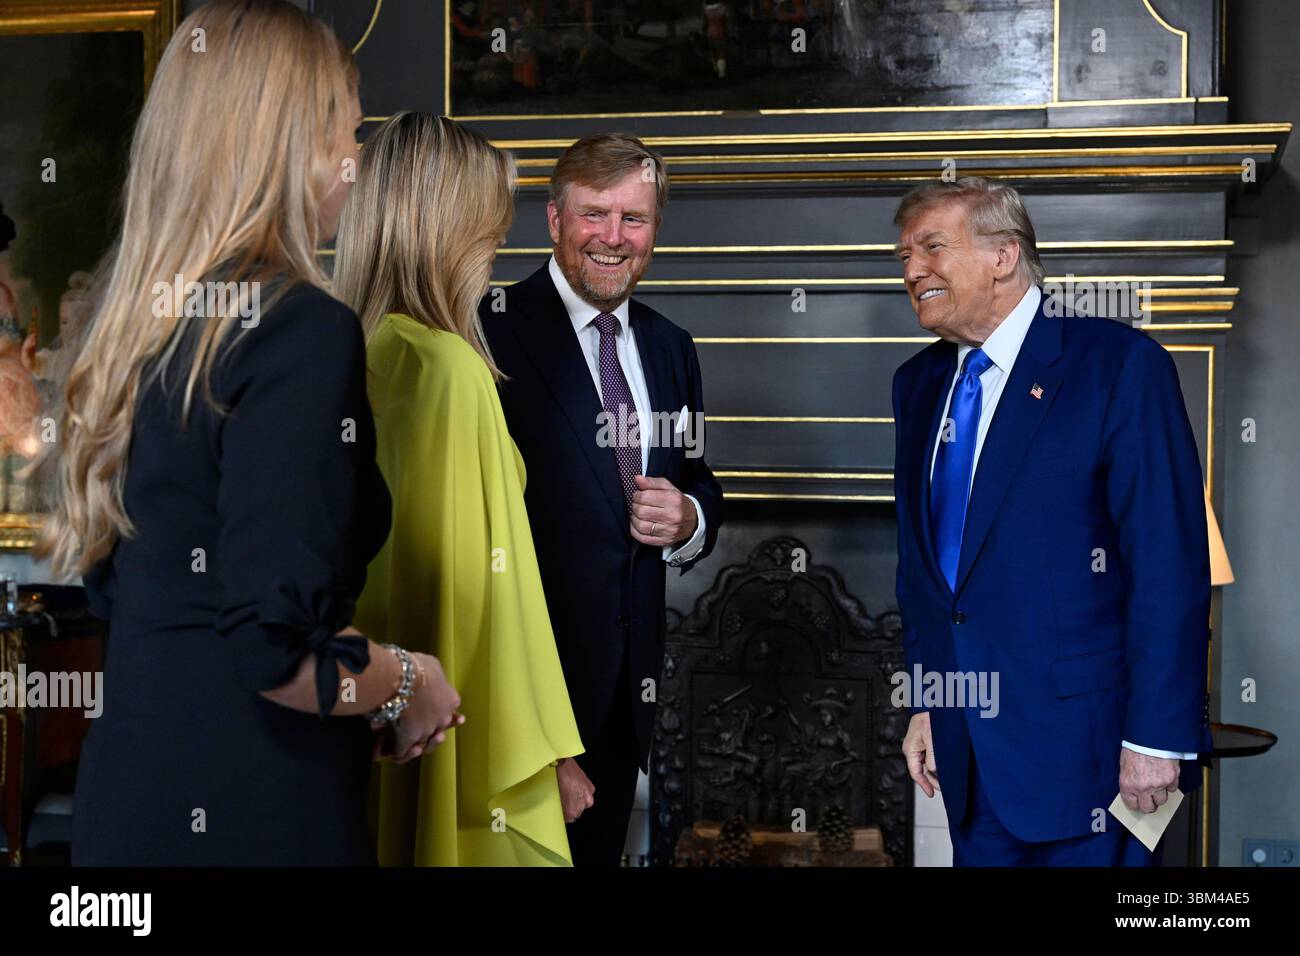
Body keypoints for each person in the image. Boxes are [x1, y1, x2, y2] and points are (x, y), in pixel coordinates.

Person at [37, 0, 459, 866]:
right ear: (288, 145)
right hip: (251, 812)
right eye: (348, 131)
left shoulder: (135, 331)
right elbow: (273, 648)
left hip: (127, 801)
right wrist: (409, 681)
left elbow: (157, 608)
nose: (355, 161)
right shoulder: (300, 328)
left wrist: (355, 699)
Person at [890, 177, 1212, 866]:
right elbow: (923, 570)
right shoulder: (917, 385)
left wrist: (1156, 738)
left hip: (1089, 756)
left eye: (932, 248)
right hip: (968, 755)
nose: (913, 270)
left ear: (1002, 256)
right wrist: (927, 700)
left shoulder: (1118, 366)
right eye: (905, 256)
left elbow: (1168, 565)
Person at [336, 112, 583, 866]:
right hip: (456, 722)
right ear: (450, 226)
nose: (499, 245)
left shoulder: (359, 349)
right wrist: (548, 753)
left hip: (364, 704)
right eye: (490, 226)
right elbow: (488, 590)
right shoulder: (450, 368)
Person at [480, 132, 723, 866]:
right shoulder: (485, 329)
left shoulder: (673, 346)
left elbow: (700, 477)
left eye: (635, 219)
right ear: (554, 220)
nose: (613, 239)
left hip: (627, 699)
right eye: (595, 216)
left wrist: (690, 518)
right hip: (522, 700)